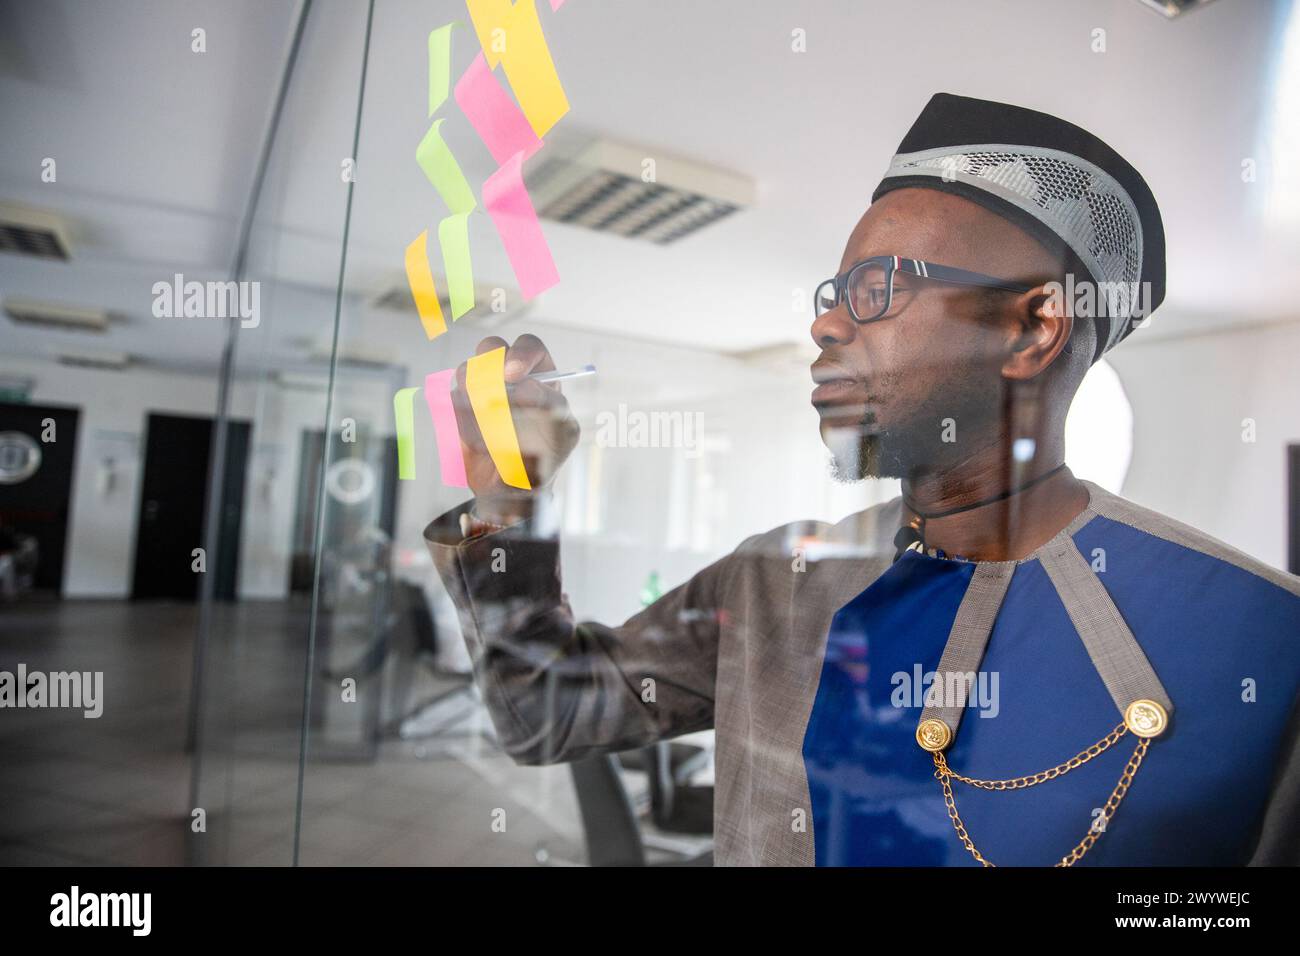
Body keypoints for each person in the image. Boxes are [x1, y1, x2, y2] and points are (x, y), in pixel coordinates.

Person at [423, 93, 1300, 866]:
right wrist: (508, 504)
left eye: (877, 287)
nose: (827, 327)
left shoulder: (1261, 639)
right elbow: (548, 714)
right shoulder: (771, 581)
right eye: (830, 294)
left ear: (1034, 324)